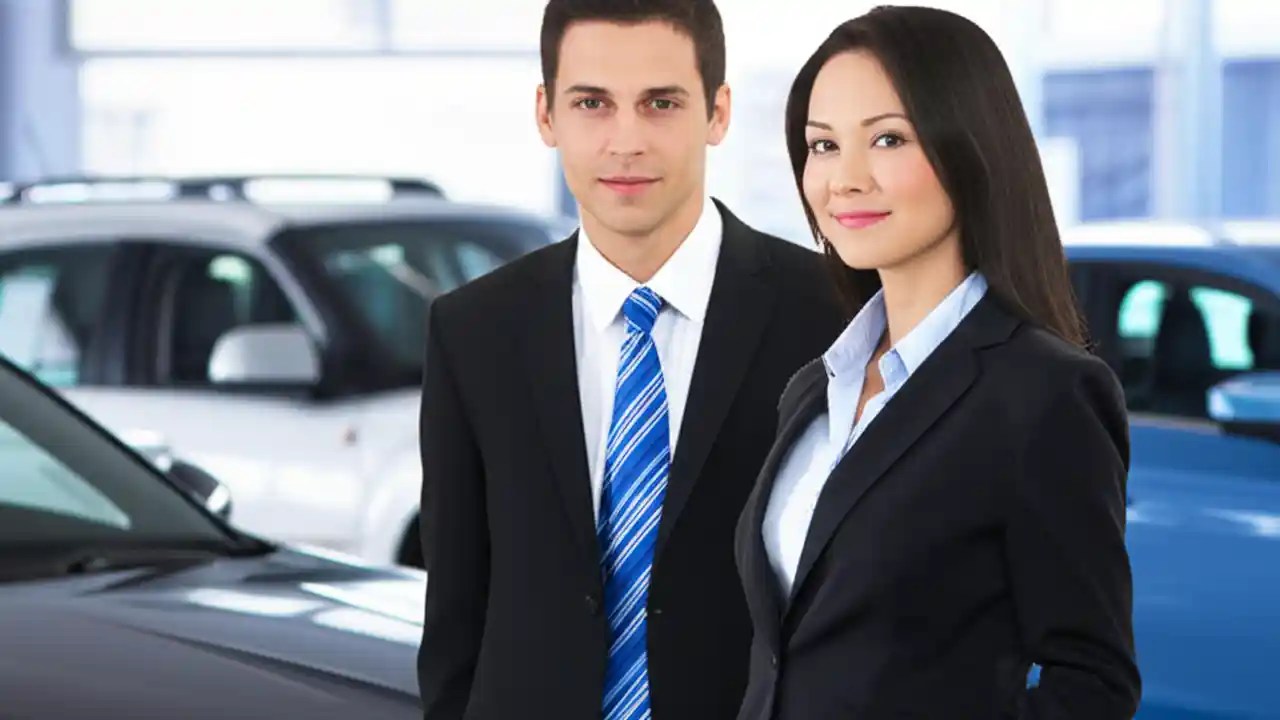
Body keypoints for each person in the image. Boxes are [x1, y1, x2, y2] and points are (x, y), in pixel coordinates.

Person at [416, 1, 843, 718]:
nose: (626, 140)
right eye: (592, 103)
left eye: (660, 103)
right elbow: (456, 618)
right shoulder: (472, 330)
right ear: (547, 115)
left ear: (718, 112)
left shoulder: (830, 316)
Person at [733, 6, 1142, 719]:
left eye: (888, 139)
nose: (844, 180)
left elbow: (1094, 681)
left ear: (969, 148)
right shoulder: (813, 390)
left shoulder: (1045, 395)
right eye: (822, 146)